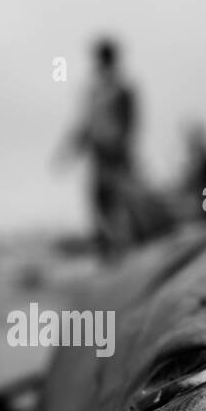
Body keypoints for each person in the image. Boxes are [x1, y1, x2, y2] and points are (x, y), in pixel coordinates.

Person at [57, 37, 140, 259]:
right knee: (98, 200)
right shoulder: (94, 91)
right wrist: (69, 151)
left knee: (118, 200)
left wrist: (121, 149)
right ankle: (108, 252)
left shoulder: (122, 90)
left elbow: (130, 125)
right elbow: (86, 125)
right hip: (99, 153)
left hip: (115, 154)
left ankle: (124, 249)